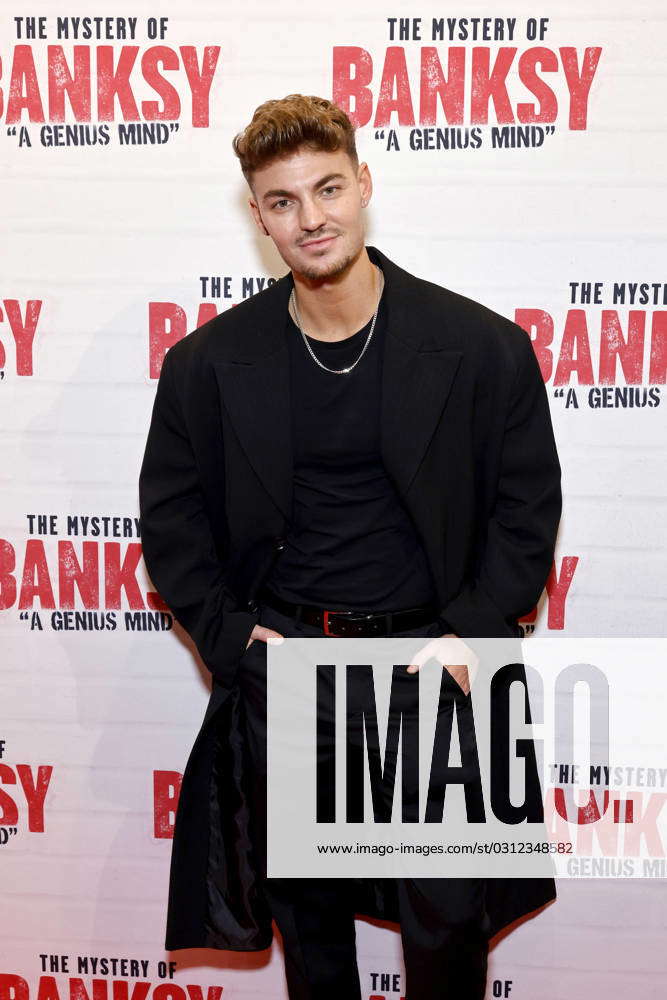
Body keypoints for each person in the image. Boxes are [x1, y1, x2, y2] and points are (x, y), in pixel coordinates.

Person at [139, 93, 562, 999]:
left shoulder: (480, 347)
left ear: (363, 185)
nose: (311, 217)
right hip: (292, 672)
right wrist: (231, 635)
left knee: (447, 926)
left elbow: (526, 510)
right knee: (310, 923)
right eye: (283, 201)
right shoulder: (209, 365)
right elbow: (171, 520)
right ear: (258, 216)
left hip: (428, 671)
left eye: (327, 188)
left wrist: (471, 631)